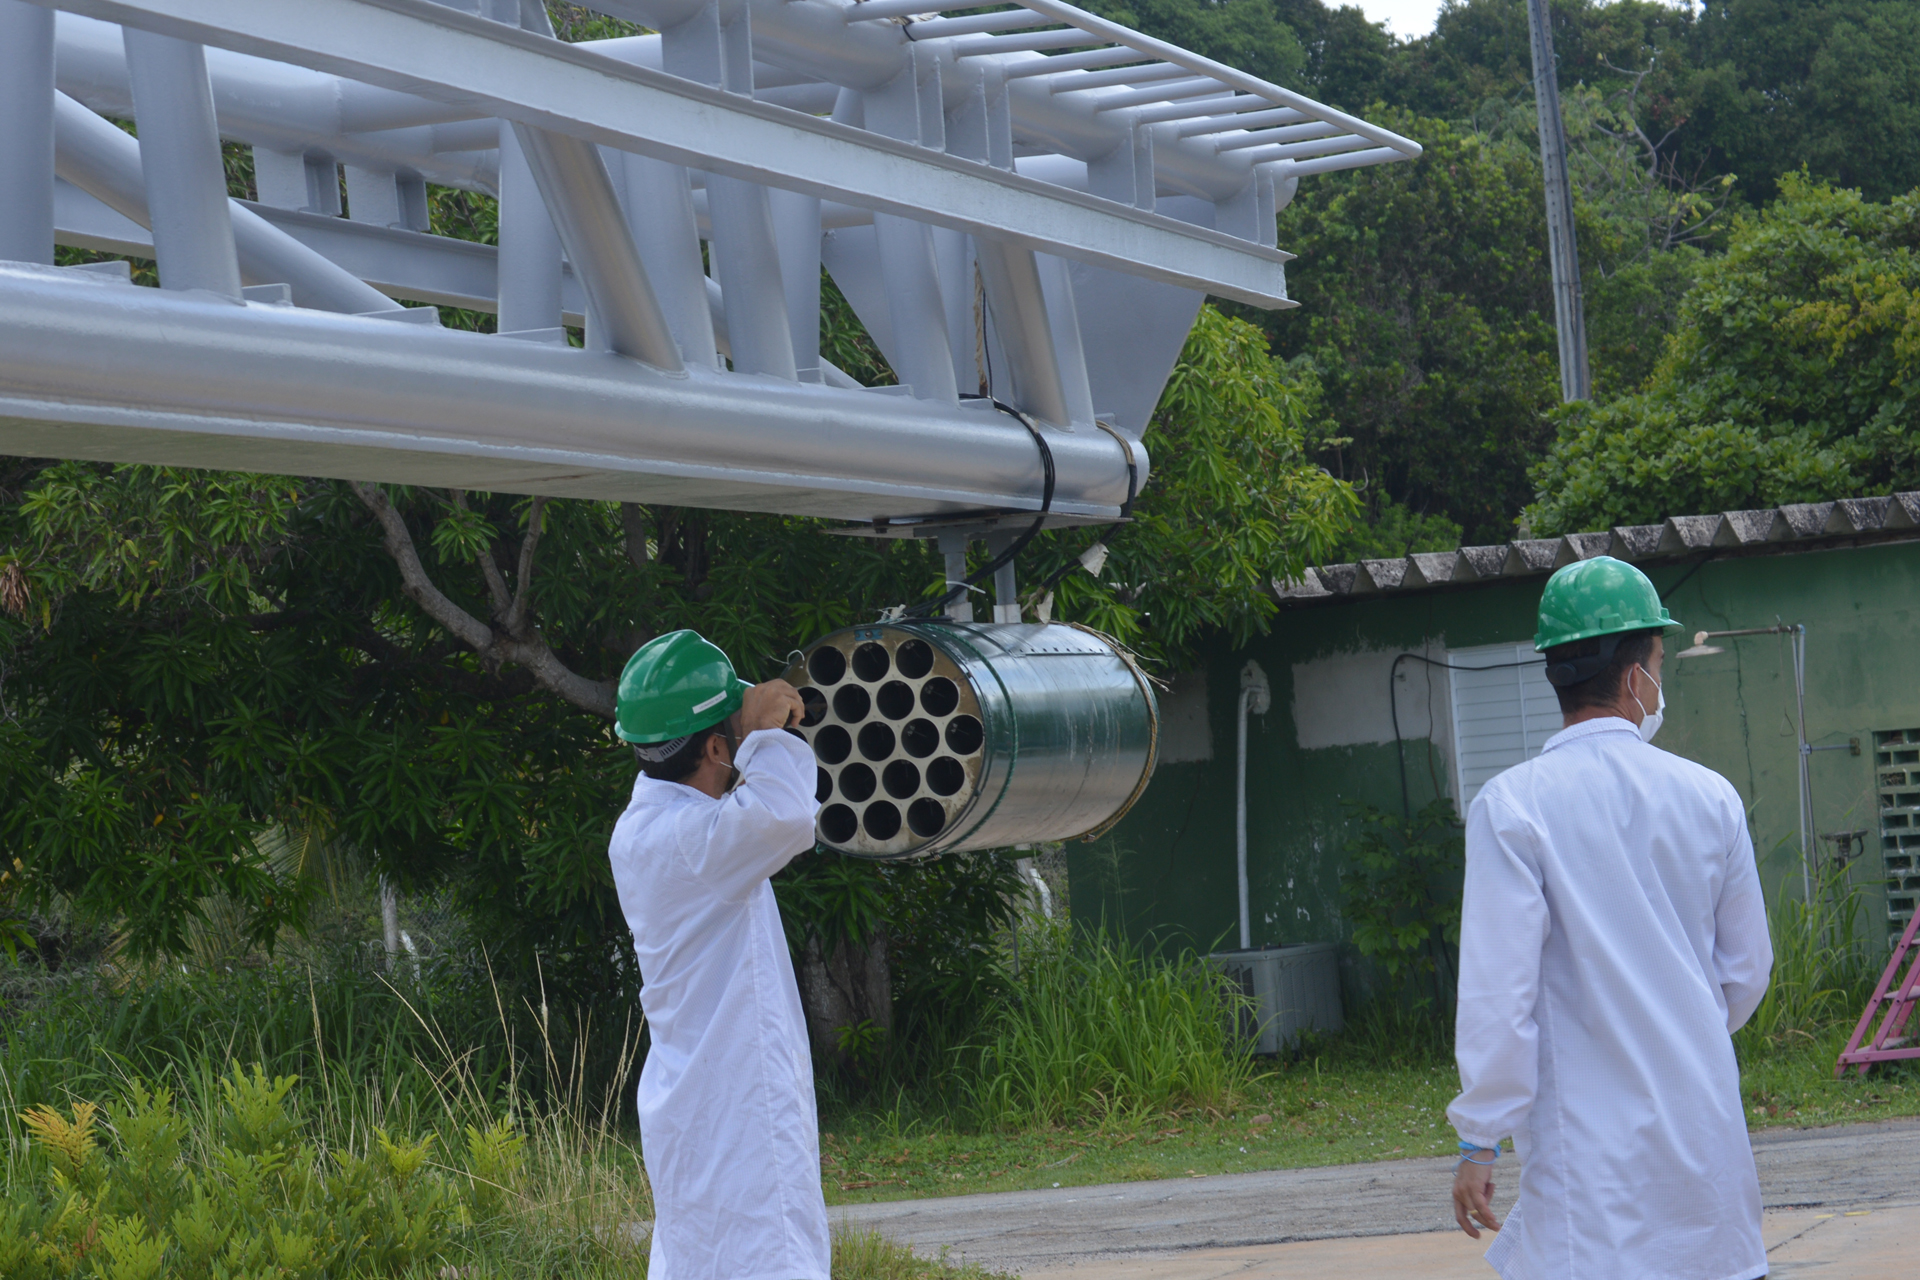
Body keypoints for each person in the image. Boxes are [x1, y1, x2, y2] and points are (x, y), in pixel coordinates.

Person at [1447, 556, 1774, 1279]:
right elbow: (1747, 972)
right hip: (1706, 1167)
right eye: (1660, 661)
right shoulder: (1710, 797)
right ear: (1636, 678)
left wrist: (1480, 1140)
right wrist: (1674, 1029)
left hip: (1588, 1188)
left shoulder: (1513, 807)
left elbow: (1501, 997)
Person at [606, 629, 828, 1280]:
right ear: (711, 747)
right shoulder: (695, 842)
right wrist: (761, 733)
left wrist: (744, 730)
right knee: (769, 1260)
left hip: (693, 1108)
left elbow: (749, 815)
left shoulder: (643, 830)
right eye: (729, 734)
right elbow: (787, 817)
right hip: (740, 1118)